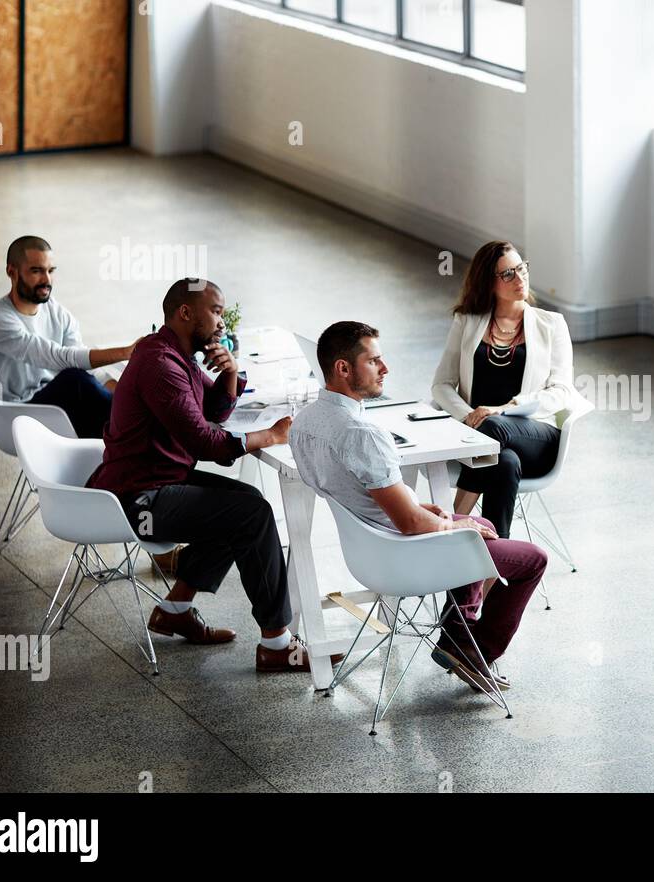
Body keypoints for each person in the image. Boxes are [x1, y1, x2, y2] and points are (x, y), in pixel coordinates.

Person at [86, 278, 326, 673]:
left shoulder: (175, 355)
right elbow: (205, 442)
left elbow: (213, 412)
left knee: (246, 504)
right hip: (138, 498)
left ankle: (175, 609)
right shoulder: (160, 364)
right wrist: (271, 435)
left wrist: (231, 371)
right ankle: (277, 644)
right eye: (215, 311)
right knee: (250, 516)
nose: (221, 323)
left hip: (160, 482)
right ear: (185, 313)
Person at [293, 320, 547, 693]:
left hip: (370, 548)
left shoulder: (305, 423)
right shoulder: (362, 434)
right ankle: (478, 651)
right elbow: (411, 524)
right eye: (374, 361)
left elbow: (361, 496)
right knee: (532, 559)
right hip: (406, 556)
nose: (386, 368)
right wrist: (448, 526)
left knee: (476, 520)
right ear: (343, 368)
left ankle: (457, 637)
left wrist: (425, 508)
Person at [431, 241, 592, 538]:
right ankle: (491, 573)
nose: (520, 278)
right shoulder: (467, 322)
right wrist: (468, 416)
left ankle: (450, 526)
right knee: (504, 463)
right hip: (477, 439)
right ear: (487, 282)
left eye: (521, 268)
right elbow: (441, 384)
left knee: (495, 427)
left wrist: (502, 410)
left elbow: (561, 391)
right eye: (507, 274)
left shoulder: (551, 324)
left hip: (535, 435)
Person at [0, 235, 139, 439]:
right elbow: (56, 356)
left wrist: (125, 396)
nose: (46, 280)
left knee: (114, 395)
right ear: (12, 272)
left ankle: (130, 444)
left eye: (50, 271)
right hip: (15, 414)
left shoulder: (57, 313)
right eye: (36, 271)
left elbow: (82, 364)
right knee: (74, 381)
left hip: (55, 405)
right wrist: (126, 352)